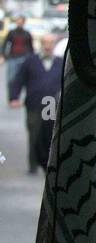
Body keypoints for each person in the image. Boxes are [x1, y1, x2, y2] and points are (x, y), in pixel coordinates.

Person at [8, 33, 62, 174]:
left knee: (50, 135)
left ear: (54, 45)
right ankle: (33, 164)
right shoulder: (30, 61)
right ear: (41, 44)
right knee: (34, 133)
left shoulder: (61, 62)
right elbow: (18, 80)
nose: (47, 46)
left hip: (51, 106)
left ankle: (49, 164)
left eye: (50, 43)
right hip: (34, 103)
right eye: (45, 42)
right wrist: (14, 97)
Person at [3, 15, 34, 92]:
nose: (19, 24)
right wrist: (4, 55)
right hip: (13, 58)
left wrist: (32, 58)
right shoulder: (11, 33)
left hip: (24, 57)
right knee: (11, 78)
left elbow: (31, 47)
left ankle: (20, 94)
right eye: (18, 22)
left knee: (23, 78)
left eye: (21, 22)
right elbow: (5, 44)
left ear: (24, 23)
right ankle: (12, 95)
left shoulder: (27, 34)